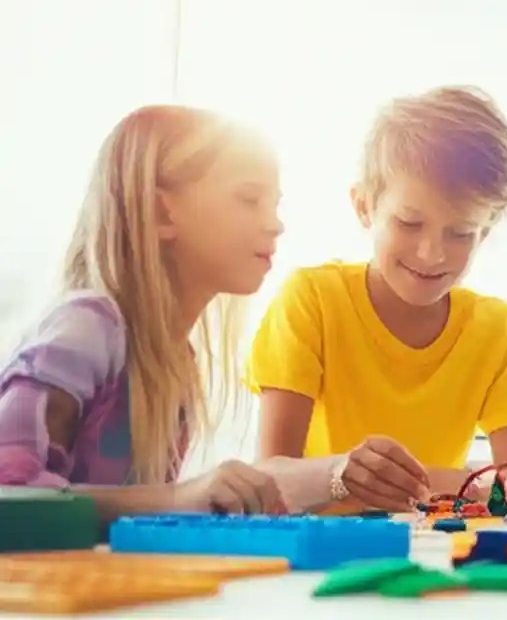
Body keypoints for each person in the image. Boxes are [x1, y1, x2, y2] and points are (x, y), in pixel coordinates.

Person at [246, 86, 507, 511]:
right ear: (364, 206)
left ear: (486, 228)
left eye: (461, 232)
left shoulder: (498, 330)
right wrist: (463, 482)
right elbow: (269, 478)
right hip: (319, 547)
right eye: (409, 223)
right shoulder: (313, 300)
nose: (432, 254)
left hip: (437, 547)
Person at [0, 105, 292, 520]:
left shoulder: (176, 364)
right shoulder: (86, 329)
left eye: (275, 204)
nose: (276, 224)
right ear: (160, 212)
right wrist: (178, 498)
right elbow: (9, 491)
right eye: (250, 198)